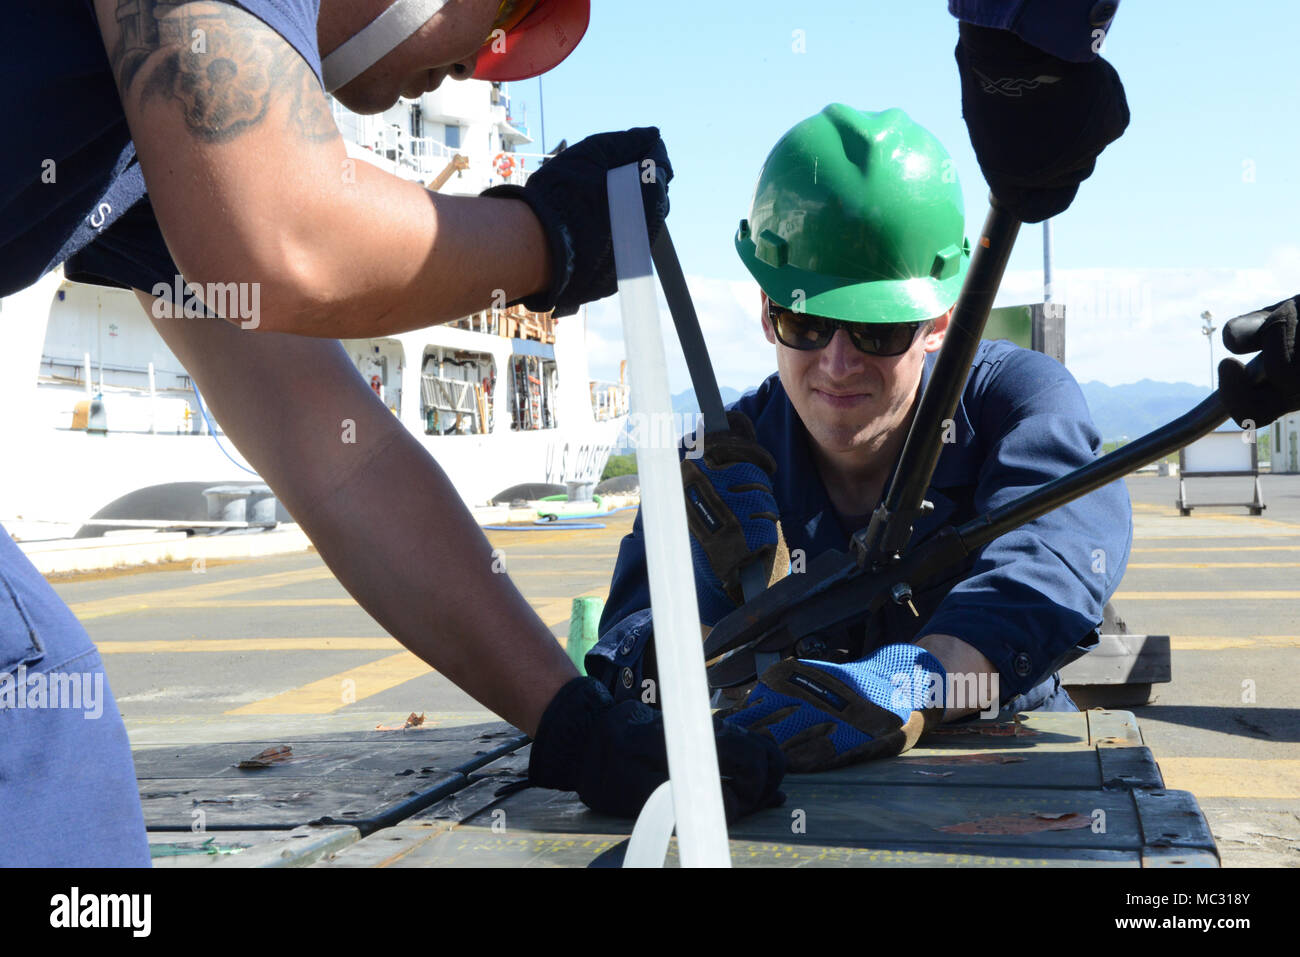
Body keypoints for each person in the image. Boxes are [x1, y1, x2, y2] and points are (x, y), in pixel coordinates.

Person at [0, 0, 782, 866]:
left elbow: (338, 456)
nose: (491, 58)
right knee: (33, 717)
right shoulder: (221, 150)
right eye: (510, 10)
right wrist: (546, 238)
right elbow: (287, 238)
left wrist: (575, 721)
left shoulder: (174, 139)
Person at [587, 104, 1134, 772]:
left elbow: (1054, 563)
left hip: (1004, 783)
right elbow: (623, 653)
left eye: (876, 332)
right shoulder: (718, 460)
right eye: (805, 321)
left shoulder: (1019, 405)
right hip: (784, 788)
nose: (838, 364)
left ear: (938, 322)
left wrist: (916, 680)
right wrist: (703, 628)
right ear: (766, 312)